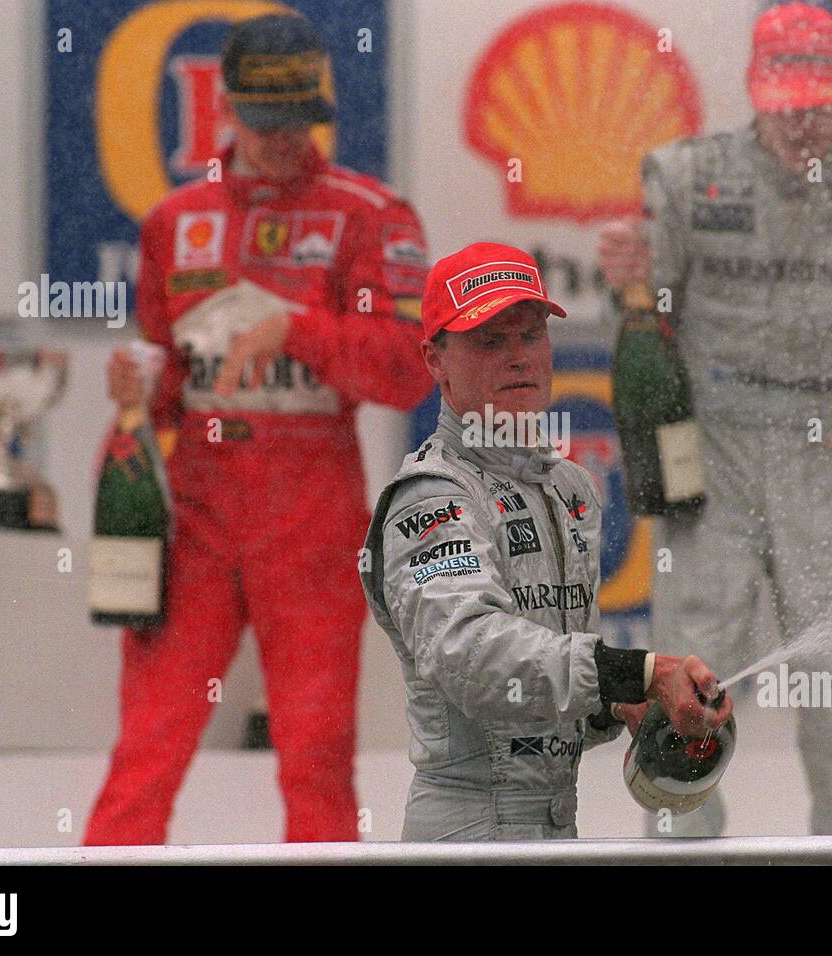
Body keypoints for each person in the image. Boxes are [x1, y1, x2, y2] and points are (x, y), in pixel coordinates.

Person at [597, 2, 832, 836]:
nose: (805, 123)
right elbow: (643, 318)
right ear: (757, 94)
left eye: (820, 103)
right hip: (712, 446)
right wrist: (627, 275)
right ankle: (677, 854)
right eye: (788, 104)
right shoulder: (685, 171)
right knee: (687, 684)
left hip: (825, 442)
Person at [85, 11, 435, 844]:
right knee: (146, 752)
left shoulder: (370, 214)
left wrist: (298, 329)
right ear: (224, 111)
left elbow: (408, 366)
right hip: (200, 521)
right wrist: (142, 383)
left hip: (312, 521)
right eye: (265, 121)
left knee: (315, 760)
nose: (285, 141)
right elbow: (167, 378)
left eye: (301, 121)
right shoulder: (175, 221)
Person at [360, 242, 734, 841]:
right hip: (466, 829)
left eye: (530, 336)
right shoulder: (431, 495)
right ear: (436, 360)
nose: (518, 359)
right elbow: (473, 657)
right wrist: (633, 673)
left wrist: (624, 707)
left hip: (556, 828)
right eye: (489, 341)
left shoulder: (567, 488)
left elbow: (544, 696)